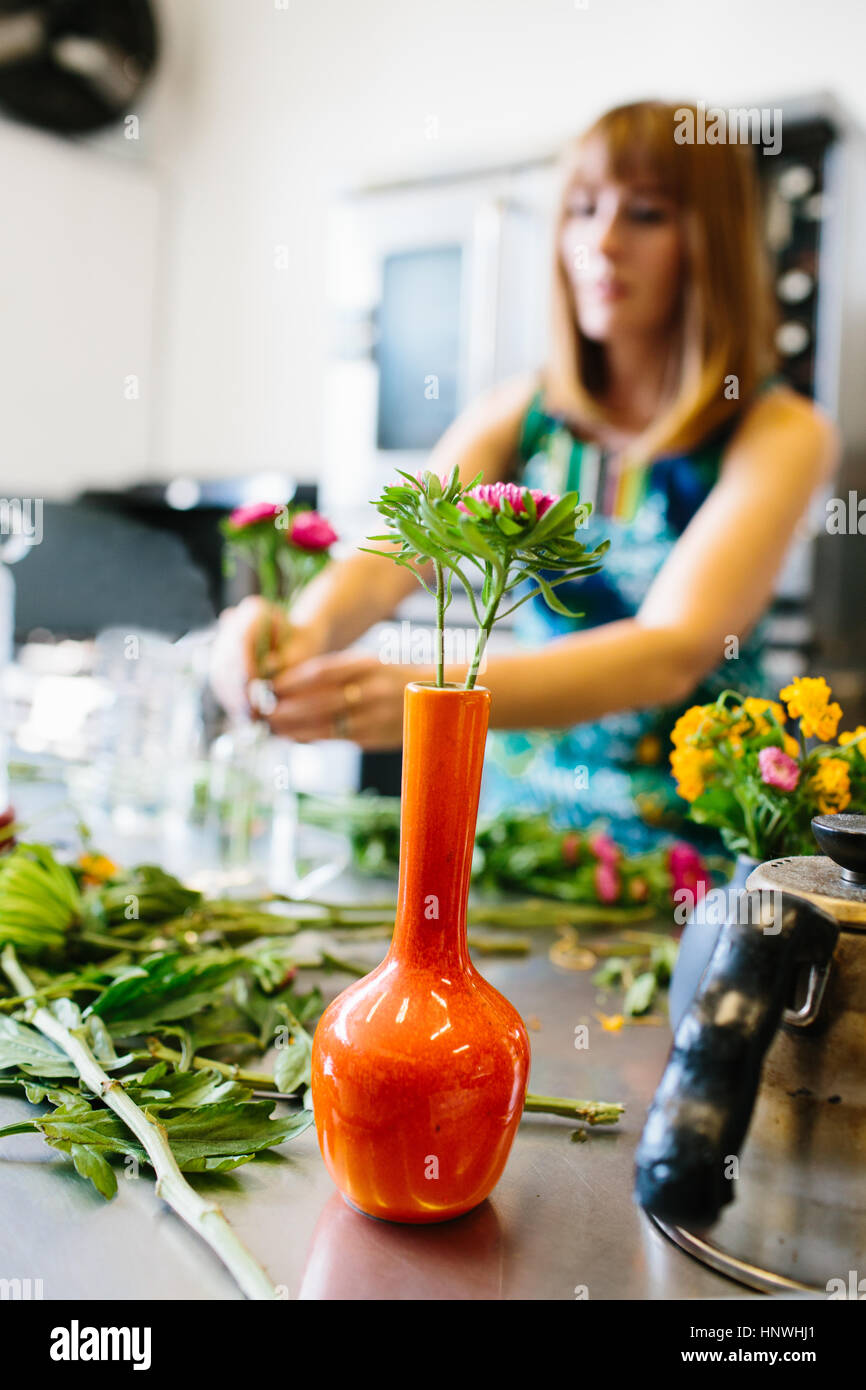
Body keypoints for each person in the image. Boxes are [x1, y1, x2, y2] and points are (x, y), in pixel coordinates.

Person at [211, 100, 837, 849]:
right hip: (514, 832)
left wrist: (442, 700)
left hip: (689, 851)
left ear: (713, 244)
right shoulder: (520, 414)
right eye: (581, 208)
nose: (601, 243)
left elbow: (672, 650)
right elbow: (390, 563)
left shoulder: (778, 431)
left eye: (645, 214)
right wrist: (298, 631)